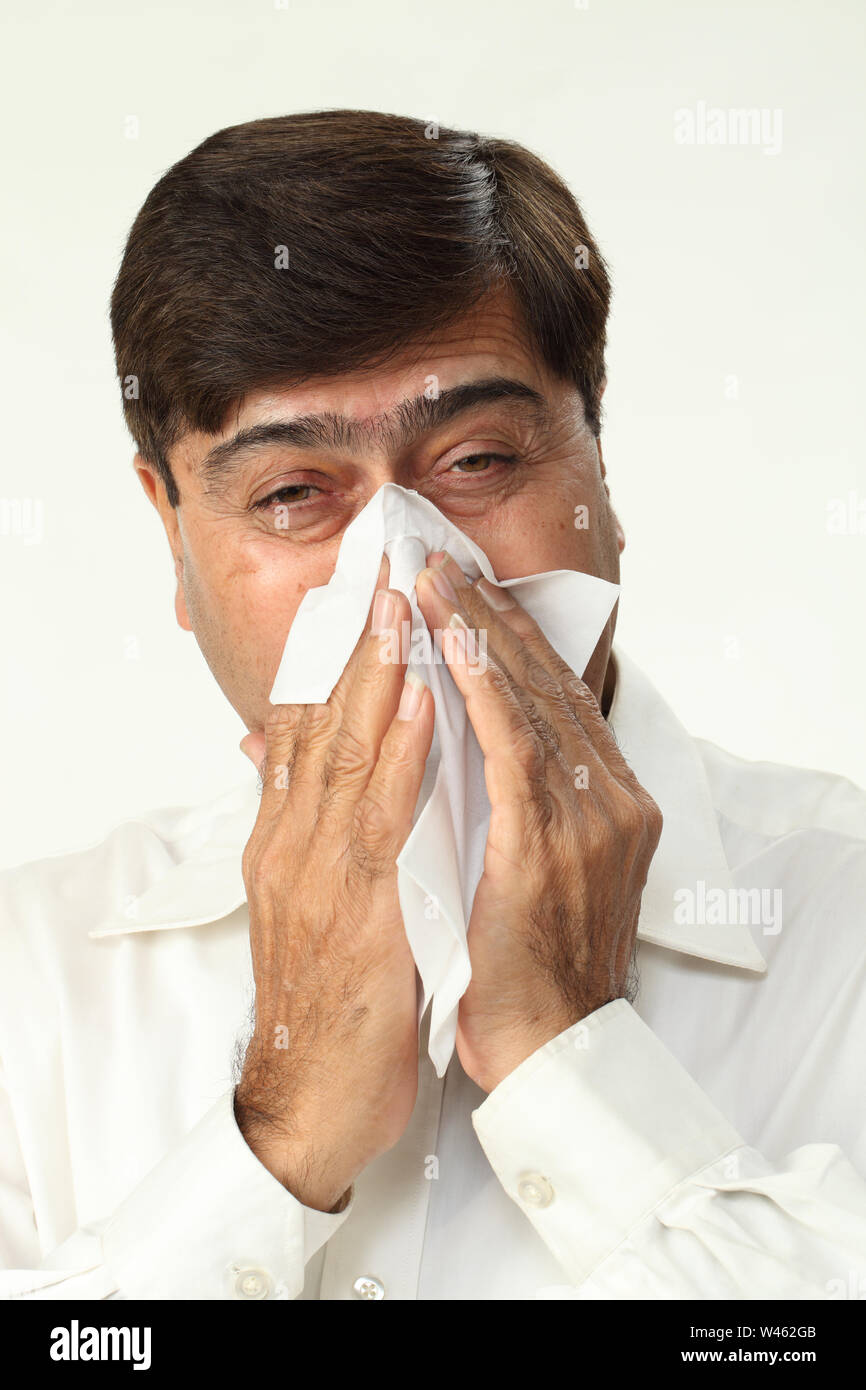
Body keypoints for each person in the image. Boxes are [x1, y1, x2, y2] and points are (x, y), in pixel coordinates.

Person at [2, 110, 865, 1302]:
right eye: (294, 492)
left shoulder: (845, 923)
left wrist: (571, 1067)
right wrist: (281, 1132)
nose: (406, 570)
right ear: (173, 532)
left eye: (477, 461)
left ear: (598, 461)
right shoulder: (31, 978)